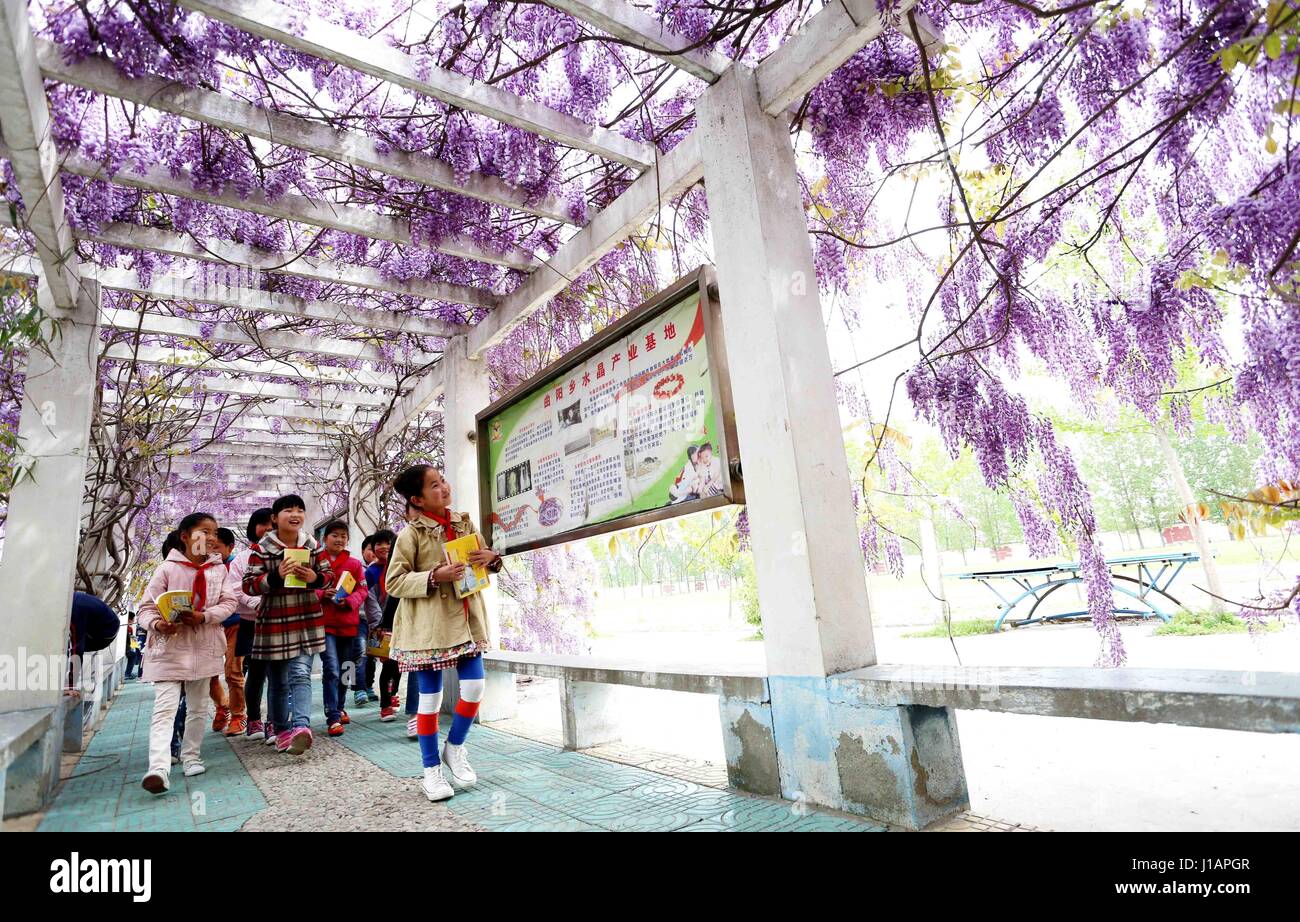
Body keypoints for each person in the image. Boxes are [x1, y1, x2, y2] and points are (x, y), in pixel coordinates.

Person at [387, 464, 504, 802]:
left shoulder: (464, 522)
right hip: (428, 629)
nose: (444, 487)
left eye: (443, 480)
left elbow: (485, 563)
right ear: (417, 499)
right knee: (431, 700)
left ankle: (454, 747)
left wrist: (492, 558)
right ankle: (430, 771)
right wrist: (435, 576)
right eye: (434, 485)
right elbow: (393, 582)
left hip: (467, 620)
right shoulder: (410, 534)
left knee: (475, 685)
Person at [137, 513, 239, 793]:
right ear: (185, 537)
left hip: (204, 647)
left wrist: (204, 616)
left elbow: (230, 602)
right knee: (165, 708)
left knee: (197, 707)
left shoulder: (219, 570)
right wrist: (158, 623)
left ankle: (191, 755)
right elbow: (145, 608)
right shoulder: (167, 570)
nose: (210, 538)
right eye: (203, 532)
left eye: (214, 533)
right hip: (169, 649)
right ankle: (158, 767)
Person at [243, 495, 332, 755]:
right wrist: (275, 576)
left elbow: (329, 576)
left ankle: (301, 727)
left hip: (306, 617)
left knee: (301, 673)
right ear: (275, 518)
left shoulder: (313, 545)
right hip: (275, 620)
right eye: (288, 510)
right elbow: (248, 585)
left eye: (300, 510)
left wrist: (315, 577)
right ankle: (281, 729)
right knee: (279, 680)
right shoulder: (260, 549)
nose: (295, 514)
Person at [317, 520, 368, 737]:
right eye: (334, 535)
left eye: (343, 536)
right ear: (324, 538)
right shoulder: (316, 561)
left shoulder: (355, 564)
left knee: (347, 668)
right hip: (325, 624)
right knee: (331, 668)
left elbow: (363, 590)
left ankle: (340, 705)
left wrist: (349, 601)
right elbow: (307, 587)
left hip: (349, 623)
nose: (339, 540)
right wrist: (322, 594)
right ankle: (333, 716)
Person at [230, 509, 273, 739]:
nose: (267, 528)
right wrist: (257, 603)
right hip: (252, 622)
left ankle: (276, 721)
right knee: (256, 672)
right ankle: (254, 719)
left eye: (271, 523)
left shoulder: (288, 553)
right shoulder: (242, 558)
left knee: (279, 673)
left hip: (280, 621)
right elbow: (236, 589)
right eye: (261, 523)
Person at [207, 527, 247, 736]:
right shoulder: (205, 568)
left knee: (232, 670)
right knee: (209, 674)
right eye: (208, 547)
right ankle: (222, 707)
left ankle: (239, 716)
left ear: (230, 547)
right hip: (211, 627)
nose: (211, 551)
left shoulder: (236, 566)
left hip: (235, 624)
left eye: (216, 548)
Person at [360, 529, 396, 706]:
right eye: (379, 544)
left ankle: (393, 692)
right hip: (381, 625)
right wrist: (379, 624)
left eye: (388, 542)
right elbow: (370, 600)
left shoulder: (399, 566)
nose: (384, 547)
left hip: (401, 623)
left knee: (399, 663)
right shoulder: (371, 572)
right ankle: (385, 704)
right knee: (387, 663)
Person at [124, 613, 143, 680]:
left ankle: (128, 673)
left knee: (135, 653)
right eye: (133, 619)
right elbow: (131, 640)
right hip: (126, 647)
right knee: (134, 655)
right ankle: (127, 674)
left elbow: (132, 640)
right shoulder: (128, 628)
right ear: (129, 619)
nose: (133, 621)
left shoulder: (130, 628)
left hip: (128, 646)